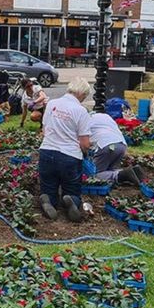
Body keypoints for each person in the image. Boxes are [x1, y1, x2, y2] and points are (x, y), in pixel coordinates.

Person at [38, 77, 93, 223]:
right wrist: (86, 153)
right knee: (72, 186)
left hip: (47, 151)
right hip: (69, 156)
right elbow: (85, 143)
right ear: (81, 94)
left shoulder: (51, 104)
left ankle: (48, 200)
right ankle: (71, 201)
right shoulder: (81, 111)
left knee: (48, 183)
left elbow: (44, 131)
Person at [87, 112, 144, 185]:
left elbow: (83, 141)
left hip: (105, 144)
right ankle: (133, 171)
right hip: (121, 144)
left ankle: (122, 175)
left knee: (94, 175)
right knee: (111, 170)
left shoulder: (86, 119)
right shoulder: (105, 116)